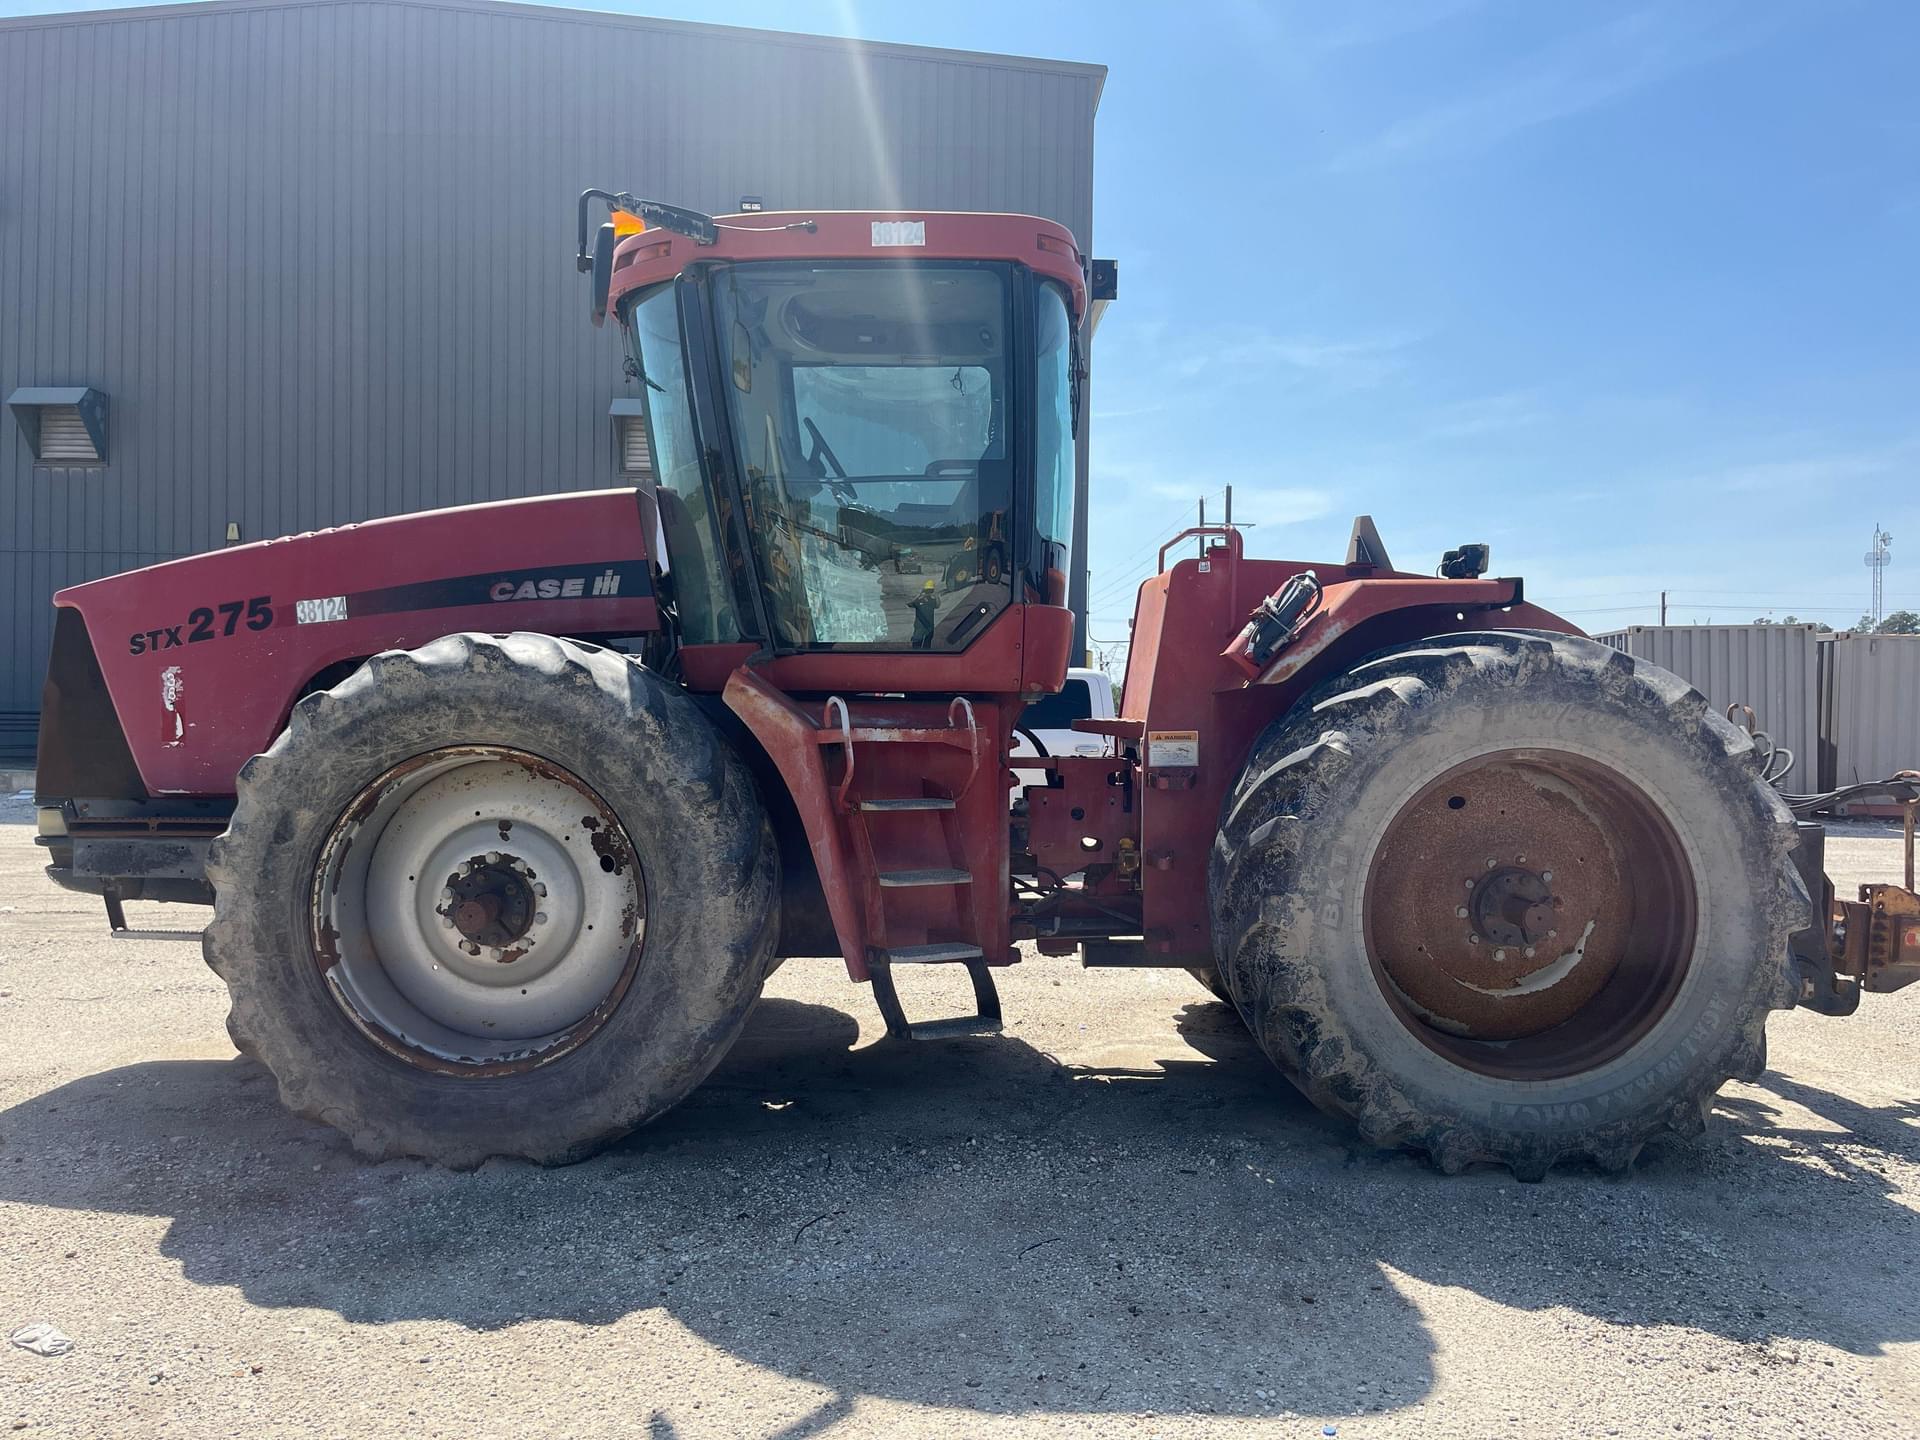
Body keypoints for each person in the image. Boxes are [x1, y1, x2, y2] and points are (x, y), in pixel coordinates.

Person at [909, 579, 939, 649]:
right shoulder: (930, 599)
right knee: (923, 644)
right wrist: (935, 595)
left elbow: (910, 604)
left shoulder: (924, 599)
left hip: (923, 625)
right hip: (925, 625)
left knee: (921, 644)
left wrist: (920, 595)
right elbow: (938, 605)